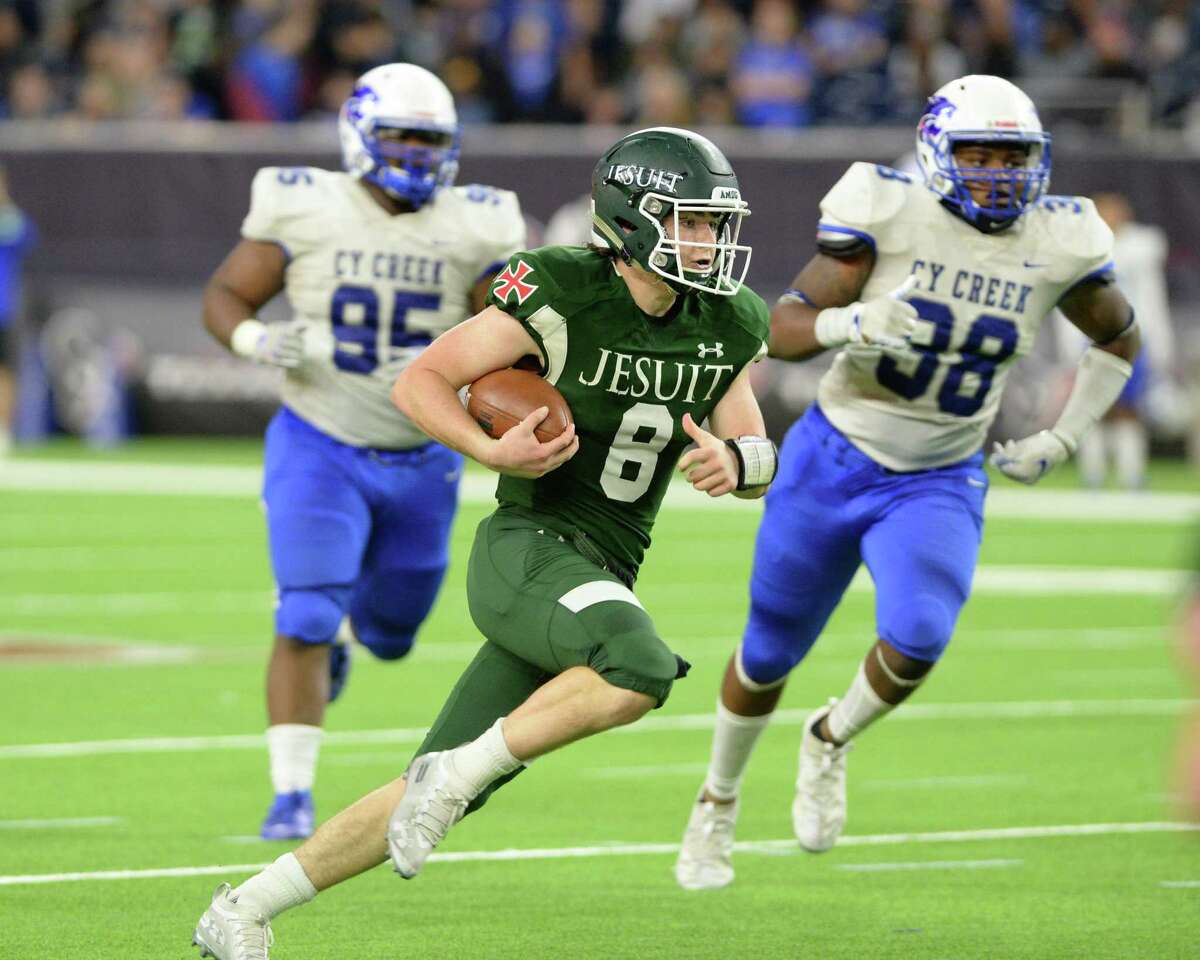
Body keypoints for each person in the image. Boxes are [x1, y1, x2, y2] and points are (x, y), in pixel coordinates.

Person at [192, 126, 777, 960]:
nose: (708, 241)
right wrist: (488, 448)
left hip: (599, 566)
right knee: (638, 666)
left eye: (715, 225)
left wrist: (736, 462)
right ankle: (458, 776)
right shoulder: (561, 287)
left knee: (423, 787)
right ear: (632, 218)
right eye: (687, 221)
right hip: (529, 545)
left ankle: (242, 908)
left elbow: (756, 453)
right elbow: (421, 378)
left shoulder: (727, 322)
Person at [674, 74, 1142, 890]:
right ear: (936, 151)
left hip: (939, 473)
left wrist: (1065, 436)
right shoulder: (888, 211)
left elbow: (1120, 340)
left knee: (921, 633)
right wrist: (848, 323)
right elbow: (778, 330)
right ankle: (717, 800)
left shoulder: (1062, 238)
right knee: (767, 651)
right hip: (833, 456)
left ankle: (830, 737)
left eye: (1014, 156)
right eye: (978, 153)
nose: (997, 172)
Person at [202, 63, 526, 841]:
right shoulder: (307, 204)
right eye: (401, 137)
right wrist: (256, 337)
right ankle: (290, 795)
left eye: (430, 141)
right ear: (359, 133)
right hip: (319, 438)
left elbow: (513, 329)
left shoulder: (477, 221)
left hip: (424, 451)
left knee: (392, 633)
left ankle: (349, 638)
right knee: (306, 610)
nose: (415, 155)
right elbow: (226, 297)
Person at [1068, 191, 1176, 489]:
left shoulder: (1141, 247)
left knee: (1130, 408)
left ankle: (1131, 473)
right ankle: (1093, 474)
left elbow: (1153, 297)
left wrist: (1159, 341)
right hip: (1091, 337)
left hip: (1131, 338)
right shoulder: (1082, 248)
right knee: (1091, 408)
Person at [0, 166, 37, 454]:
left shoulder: (12, 222)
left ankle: (3, 429)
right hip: (6, 310)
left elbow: (28, 239)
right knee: (6, 373)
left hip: (5, 310)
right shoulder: (12, 220)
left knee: (6, 373)